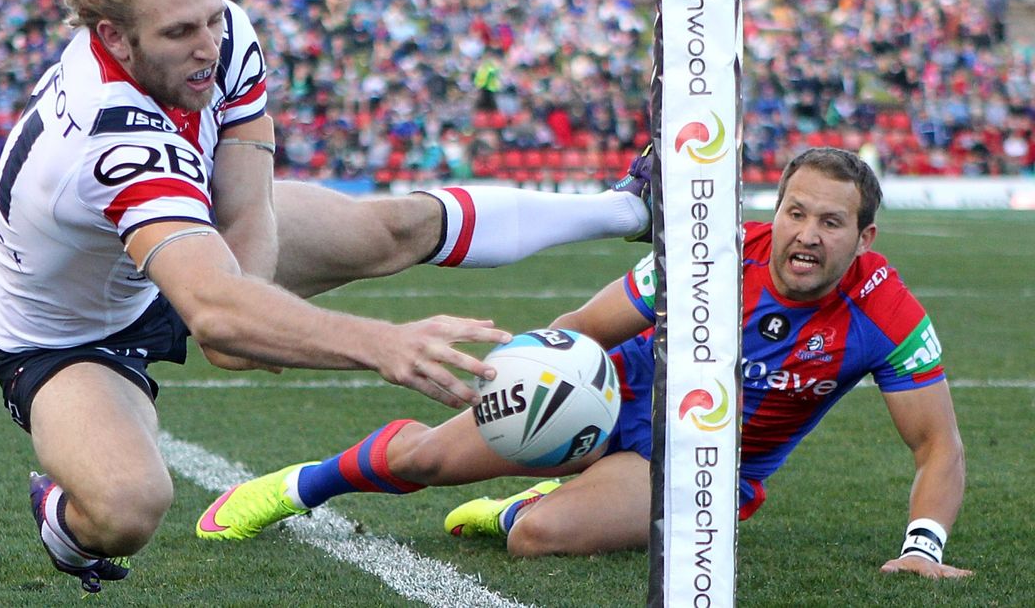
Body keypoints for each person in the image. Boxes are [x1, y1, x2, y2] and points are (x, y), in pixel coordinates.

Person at [0, 0, 654, 593]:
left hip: (185, 239)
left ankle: (627, 206)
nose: (208, 43)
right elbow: (214, 309)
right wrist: (379, 343)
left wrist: (251, 300)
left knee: (389, 229)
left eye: (213, 15)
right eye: (180, 31)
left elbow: (244, 187)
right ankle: (62, 522)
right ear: (115, 38)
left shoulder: (223, 35)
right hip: (69, 333)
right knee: (127, 508)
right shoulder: (108, 133)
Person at [199, 147, 970, 580]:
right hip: (611, 396)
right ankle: (295, 486)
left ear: (863, 240)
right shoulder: (714, 254)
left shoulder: (888, 314)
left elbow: (937, 445)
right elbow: (582, 326)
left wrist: (922, 547)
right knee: (429, 456)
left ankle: (514, 509)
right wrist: (546, 384)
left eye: (831, 222)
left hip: (700, 467)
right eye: (795, 211)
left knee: (537, 538)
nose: (807, 233)